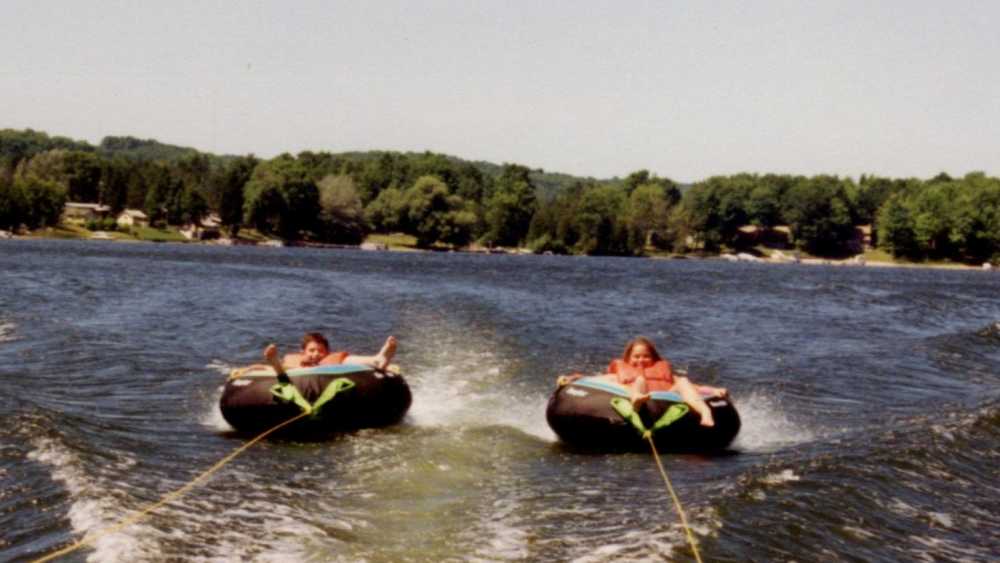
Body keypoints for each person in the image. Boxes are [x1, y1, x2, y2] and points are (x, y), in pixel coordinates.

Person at [557, 336, 727, 427]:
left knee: (683, 380)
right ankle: (637, 400)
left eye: (646, 356)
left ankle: (704, 413)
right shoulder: (620, 374)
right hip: (638, 396)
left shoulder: (665, 374)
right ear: (628, 358)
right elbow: (590, 380)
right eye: (636, 356)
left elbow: (693, 387)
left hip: (665, 399)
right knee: (639, 380)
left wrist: (713, 391)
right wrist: (571, 379)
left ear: (653, 358)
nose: (641, 360)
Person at [265, 332, 397, 370]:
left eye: (321, 350)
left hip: (330, 373)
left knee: (344, 360)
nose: (316, 354)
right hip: (292, 377)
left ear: (327, 352)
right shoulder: (295, 361)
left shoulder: (331, 360)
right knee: (286, 368)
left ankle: (377, 360)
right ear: (303, 352)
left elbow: (343, 361)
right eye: (311, 350)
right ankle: (274, 362)